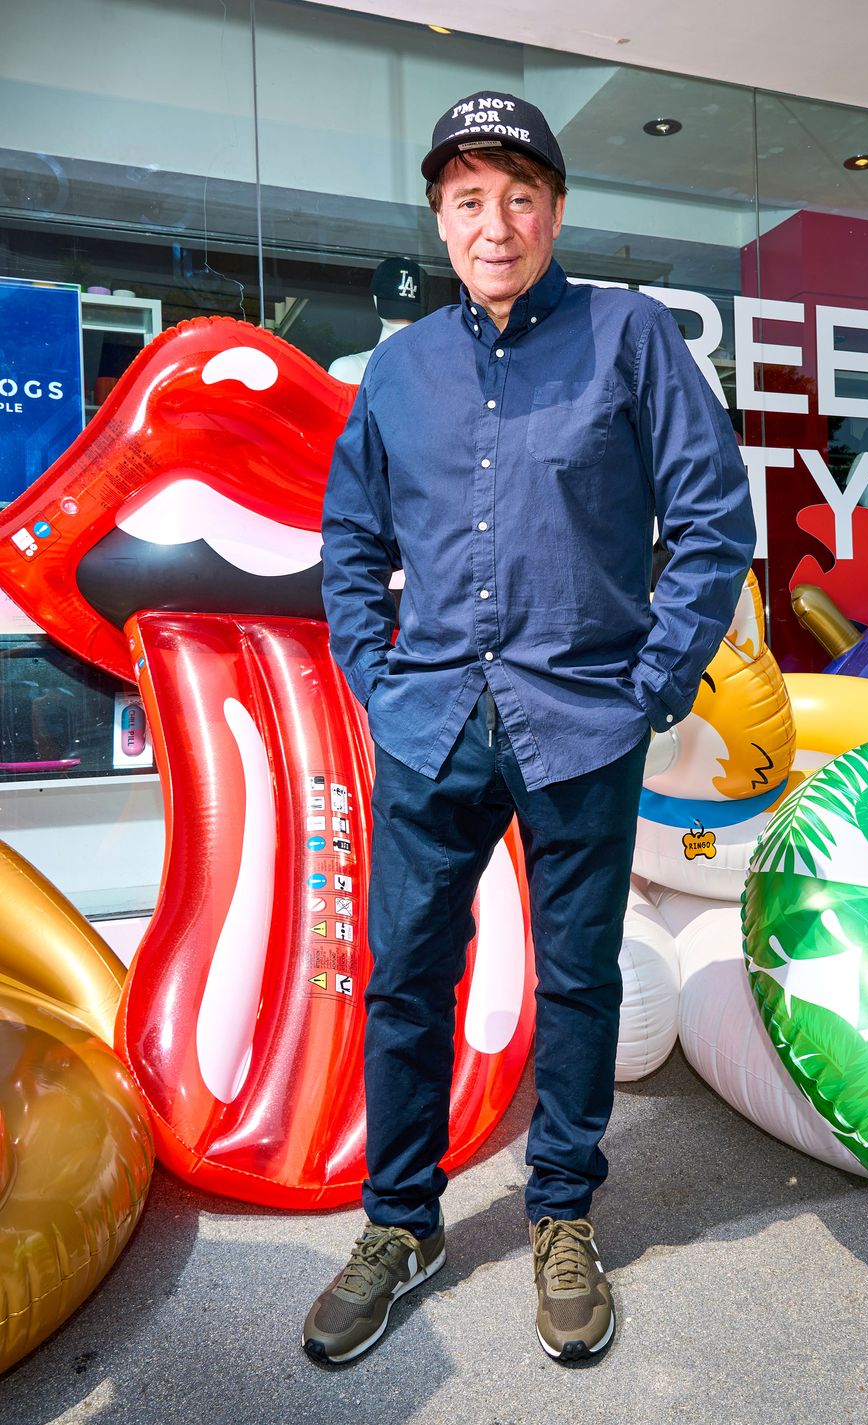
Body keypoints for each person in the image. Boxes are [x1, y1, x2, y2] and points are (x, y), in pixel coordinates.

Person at [306, 89, 754, 1368]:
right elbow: (350, 542)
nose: (493, 225)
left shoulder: (631, 337)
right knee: (404, 977)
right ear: (440, 220)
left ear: (554, 210)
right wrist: (377, 682)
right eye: (468, 202)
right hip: (432, 722)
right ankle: (402, 1224)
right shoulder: (399, 372)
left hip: (582, 721)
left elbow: (713, 520)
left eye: (517, 198)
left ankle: (562, 1213)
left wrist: (650, 686)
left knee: (577, 979)